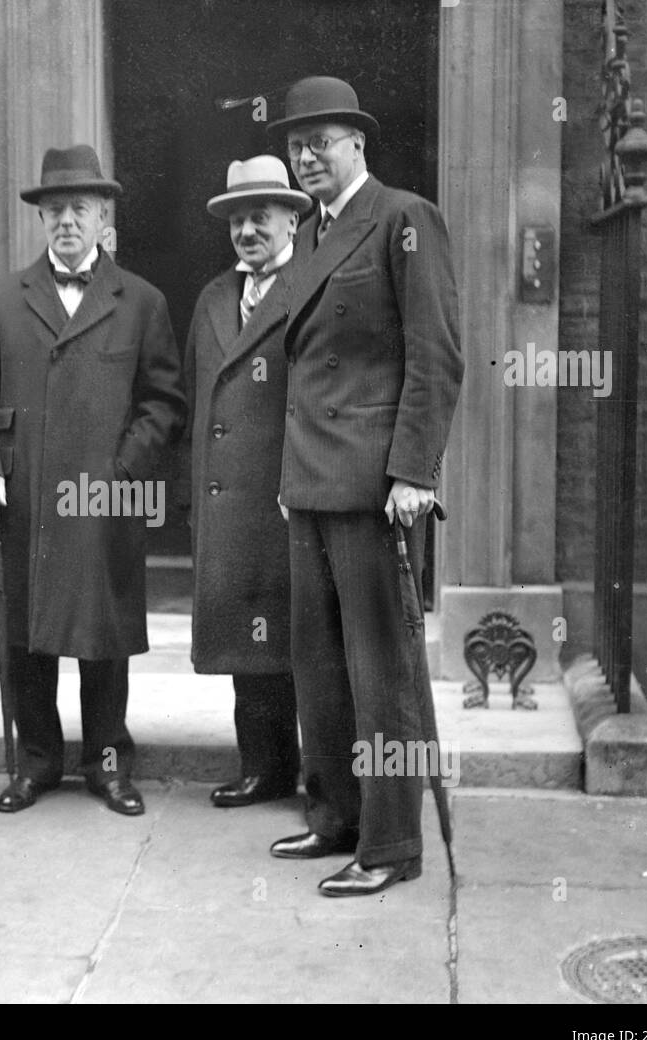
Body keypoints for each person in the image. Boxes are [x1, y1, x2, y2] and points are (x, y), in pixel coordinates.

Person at [267, 78, 463, 895]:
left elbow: (435, 353)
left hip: (375, 484)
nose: (307, 156)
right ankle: (336, 817)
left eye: (321, 141)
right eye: (296, 145)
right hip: (312, 480)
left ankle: (390, 846)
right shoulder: (313, 232)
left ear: (358, 143)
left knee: (383, 674)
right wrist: (289, 476)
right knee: (320, 666)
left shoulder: (402, 217)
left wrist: (414, 471)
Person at [0, 145, 186, 817]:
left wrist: (124, 470)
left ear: (103, 216)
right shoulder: (3, 298)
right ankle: (36, 764)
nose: (66, 221)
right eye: (54, 209)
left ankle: (108, 766)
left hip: (102, 498)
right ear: (41, 218)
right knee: (24, 639)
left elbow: (164, 402)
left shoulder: (141, 301)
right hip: (25, 495)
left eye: (79, 208)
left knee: (103, 639)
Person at [183, 156, 307, 808]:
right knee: (245, 644)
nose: (248, 230)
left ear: (292, 220)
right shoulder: (213, 297)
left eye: (261, 216)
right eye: (237, 219)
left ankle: (318, 776)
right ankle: (261, 767)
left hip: (286, 499)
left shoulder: (312, 285)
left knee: (298, 644)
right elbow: (194, 399)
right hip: (227, 501)